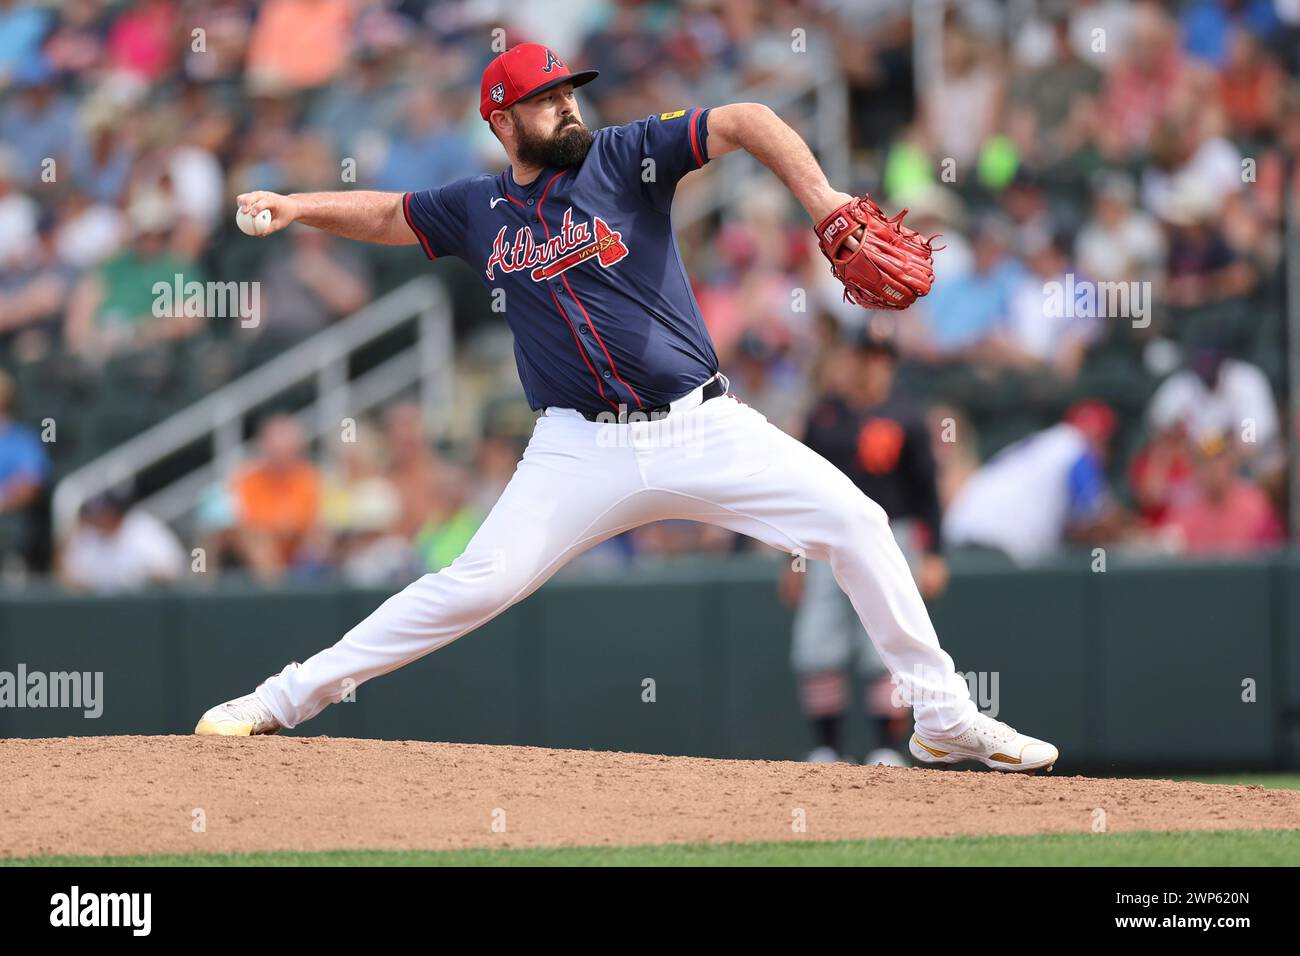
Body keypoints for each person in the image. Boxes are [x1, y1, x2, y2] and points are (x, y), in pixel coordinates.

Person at [195, 43, 1058, 773]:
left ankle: (941, 717)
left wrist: (824, 201)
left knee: (860, 524)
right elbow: (390, 212)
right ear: (502, 121)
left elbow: (747, 119)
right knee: (472, 585)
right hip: (579, 451)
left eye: (571, 93)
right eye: (547, 100)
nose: (569, 109)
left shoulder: (625, 157)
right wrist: (296, 205)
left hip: (704, 424)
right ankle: (282, 699)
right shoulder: (476, 209)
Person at [782, 326, 947, 767]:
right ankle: (827, 749)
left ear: (890, 363)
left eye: (880, 356)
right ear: (850, 358)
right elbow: (801, 491)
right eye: (865, 355)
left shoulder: (908, 416)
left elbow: (928, 492)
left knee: (886, 646)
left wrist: (935, 554)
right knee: (818, 644)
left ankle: (885, 749)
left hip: (895, 538)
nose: (872, 364)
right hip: (825, 541)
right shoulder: (825, 415)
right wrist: (792, 558)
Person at [944, 400, 1130, 564]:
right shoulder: (1074, 445)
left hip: (959, 535)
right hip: (993, 545)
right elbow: (1101, 518)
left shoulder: (1048, 447)